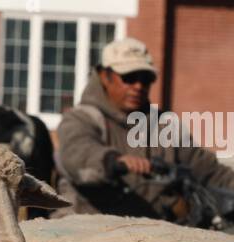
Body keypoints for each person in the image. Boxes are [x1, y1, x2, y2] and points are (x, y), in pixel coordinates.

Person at [56, 37, 234, 220]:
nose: (138, 86)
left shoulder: (164, 125)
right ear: (104, 76)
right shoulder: (82, 118)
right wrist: (114, 161)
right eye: (129, 78)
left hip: (152, 236)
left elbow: (210, 171)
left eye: (146, 79)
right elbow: (77, 153)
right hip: (84, 232)